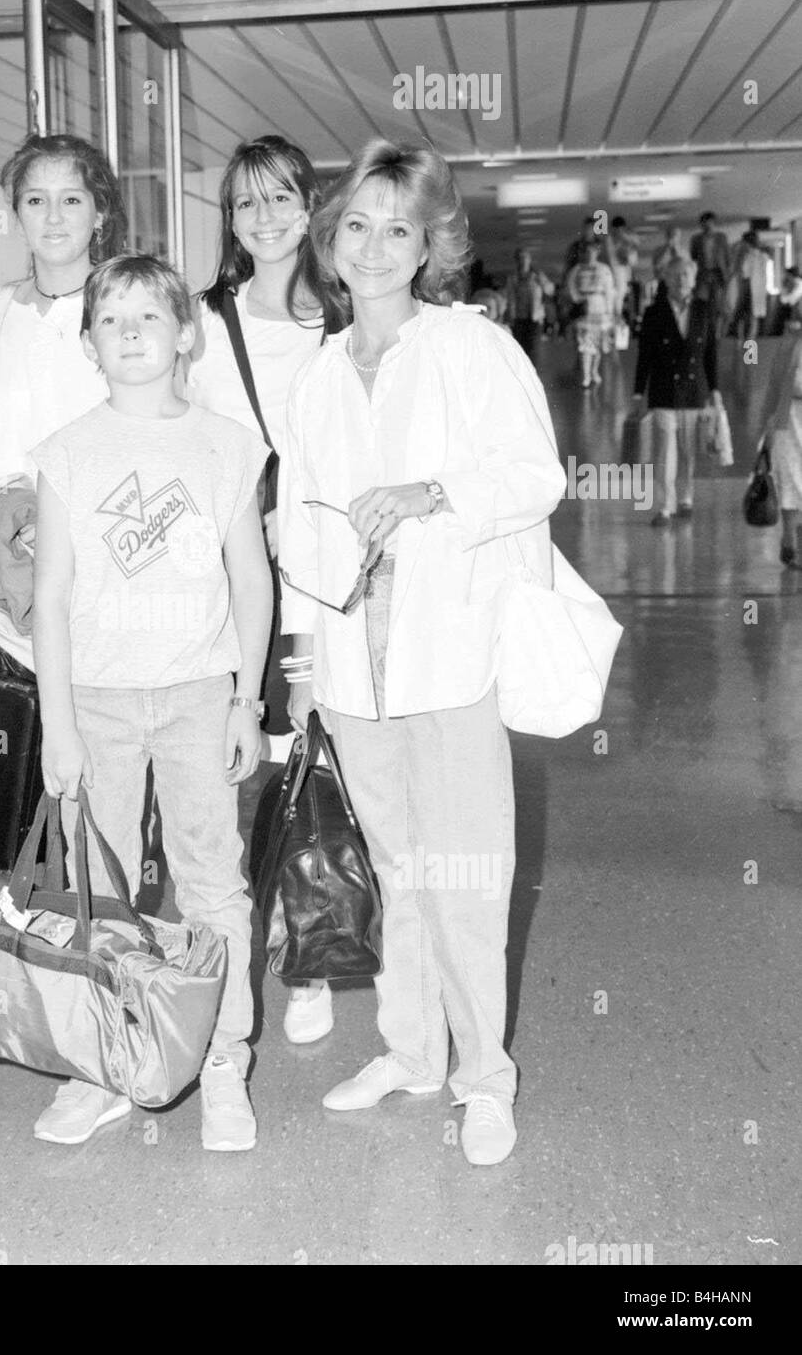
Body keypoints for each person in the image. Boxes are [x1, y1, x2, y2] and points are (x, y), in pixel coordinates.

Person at [276, 139, 565, 1167]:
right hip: (358, 668)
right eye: (356, 223)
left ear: (431, 243)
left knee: (468, 872)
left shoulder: (468, 347)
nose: (375, 244)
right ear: (330, 241)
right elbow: (298, 527)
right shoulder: (316, 376)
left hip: (451, 656)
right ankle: (410, 1050)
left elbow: (536, 475)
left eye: (399, 226)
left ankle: (487, 1076)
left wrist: (429, 495)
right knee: (396, 868)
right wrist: (306, 667)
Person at [32, 254, 272, 1151]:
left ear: (185, 334)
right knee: (97, 890)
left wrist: (247, 700)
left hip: (197, 694)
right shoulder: (66, 451)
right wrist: (58, 725)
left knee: (212, 882)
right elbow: (49, 596)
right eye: (109, 319)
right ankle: (103, 1067)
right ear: (90, 343)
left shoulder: (225, 445)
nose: (129, 333)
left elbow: (251, 577)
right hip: (94, 701)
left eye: (146, 317)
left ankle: (221, 1061)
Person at [186, 134, 345, 1047]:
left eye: (282, 197)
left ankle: (310, 951)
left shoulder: (342, 315)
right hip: (231, 567)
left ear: (309, 204)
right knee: (241, 753)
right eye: (247, 203)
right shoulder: (204, 319)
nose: (267, 217)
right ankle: (222, 943)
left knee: (312, 750)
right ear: (231, 220)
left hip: (323, 570)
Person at [0, 133, 126, 671]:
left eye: (72, 199)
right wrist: (7, 508)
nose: (53, 217)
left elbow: (154, 448)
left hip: (107, 594)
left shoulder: (129, 311)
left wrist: (57, 520)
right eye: (35, 200)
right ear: (15, 215)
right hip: (6, 609)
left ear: (100, 212)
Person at [631, 256, 721, 527]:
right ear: (666, 279)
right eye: (676, 275)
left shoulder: (704, 310)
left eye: (686, 275)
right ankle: (665, 507)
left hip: (695, 391)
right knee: (665, 452)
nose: (681, 280)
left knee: (688, 451)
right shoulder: (653, 313)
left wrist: (715, 390)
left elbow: (711, 353)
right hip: (663, 392)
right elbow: (644, 356)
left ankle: (686, 498)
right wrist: (638, 394)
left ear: (693, 280)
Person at [759, 331, 802, 567]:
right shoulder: (789, 344)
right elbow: (774, 386)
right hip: (788, 424)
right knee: (789, 480)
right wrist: (767, 423)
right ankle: (789, 539)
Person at [565, 239, 616, 387]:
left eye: (592, 251)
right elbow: (571, 287)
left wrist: (610, 311)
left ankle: (594, 371)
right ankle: (586, 375)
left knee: (598, 345)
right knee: (585, 344)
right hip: (584, 309)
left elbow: (609, 290)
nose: (589, 254)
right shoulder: (577, 270)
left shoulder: (604, 269)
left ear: (597, 252)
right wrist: (578, 299)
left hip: (600, 309)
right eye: (586, 251)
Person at [504, 247, 554, 358]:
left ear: (530, 259)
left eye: (525, 257)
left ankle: (532, 371)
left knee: (533, 349)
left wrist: (543, 282)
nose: (523, 260)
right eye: (520, 258)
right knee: (519, 349)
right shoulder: (513, 278)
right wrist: (510, 316)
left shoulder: (537, 276)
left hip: (534, 318)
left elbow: (550, 291)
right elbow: (509, 298)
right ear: (517, 260)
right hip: (518, 318)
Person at [689, 210, 732, 332]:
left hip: (718, 274)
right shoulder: (696, 238)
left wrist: (727, 273)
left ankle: (717, 331)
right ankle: (705, 329)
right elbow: (693, 256)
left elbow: (727, 257)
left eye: (709, 223)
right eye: (704, 224)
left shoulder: (721, 237)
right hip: (704, 274)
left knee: (718, 304)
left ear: (713, 223)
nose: (706, 226)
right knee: (702, 302)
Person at [727, 228, 770, 343]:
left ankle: (747, 353)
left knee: (748, 319)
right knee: (743, 318)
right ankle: (744, 350)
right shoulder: (747, 255)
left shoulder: (759, 256)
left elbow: (742, 271)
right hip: (745, 288)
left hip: (750, 289)